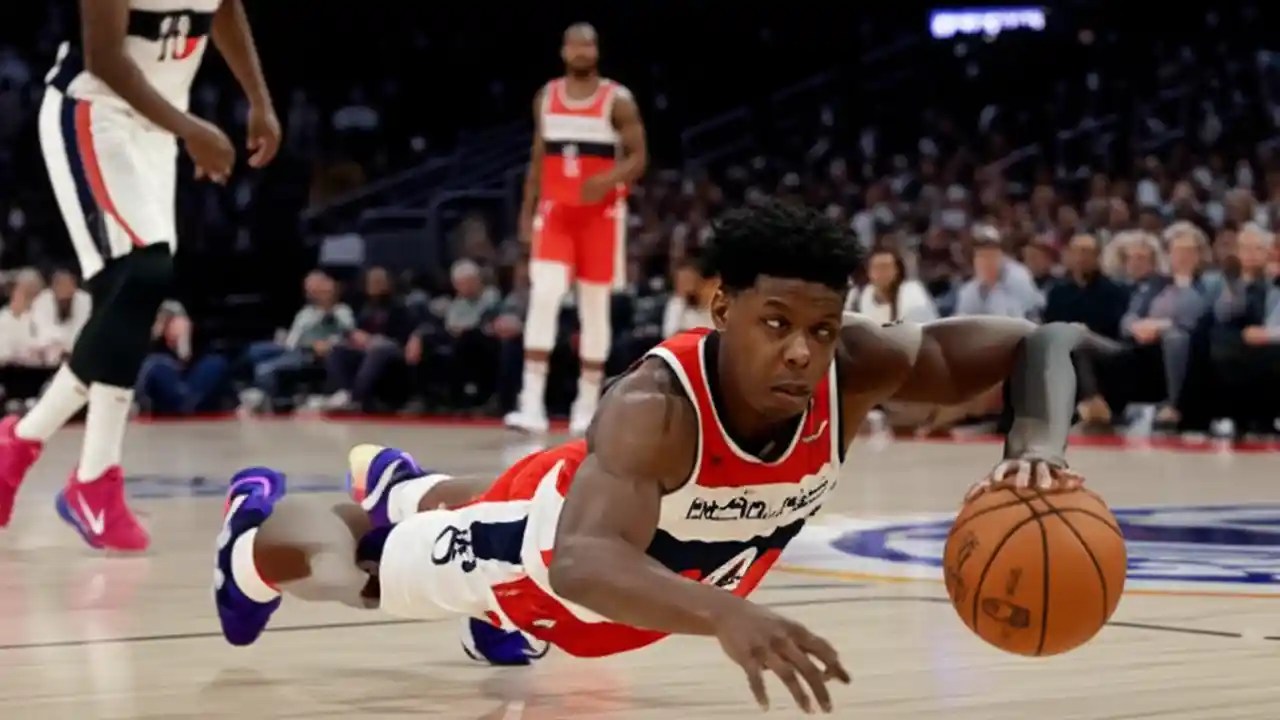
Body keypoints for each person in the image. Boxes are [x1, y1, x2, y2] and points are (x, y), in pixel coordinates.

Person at [214, 202, 1089, 713]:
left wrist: (1036, 449)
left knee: (508, 492)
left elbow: (1041, 341)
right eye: (775, 323)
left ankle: (411, 487)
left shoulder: (853, 366)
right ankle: (250, 543)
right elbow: (584, 559)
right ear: (720, 306)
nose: (799, 352)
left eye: (820, 330)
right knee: (354, 565)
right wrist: (723, 616)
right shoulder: (652, 408)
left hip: (603, 507)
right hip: (545, 564)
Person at [0, 0, 280, 550]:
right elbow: (104, 57)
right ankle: (32, 449)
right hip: (93, 110)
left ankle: (89, 476)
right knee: (145, 274)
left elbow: (223, 9)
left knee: (125, 299)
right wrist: (192, 129)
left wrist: (259, 101)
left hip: (158, 123)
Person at [505, 22, 648, 435]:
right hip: (555, 213)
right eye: (576, 45)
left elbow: (639, 156)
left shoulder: (616, 99)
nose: (583, 51)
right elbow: (538, 154)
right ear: (564, 51)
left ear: (596, 51)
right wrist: (526, 212)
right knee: (545, 296)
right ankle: (530, 404)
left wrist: (607, 180)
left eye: (589, 45)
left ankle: (586, 406)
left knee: (594, 307)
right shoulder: (546, 97)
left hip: (600, 216)